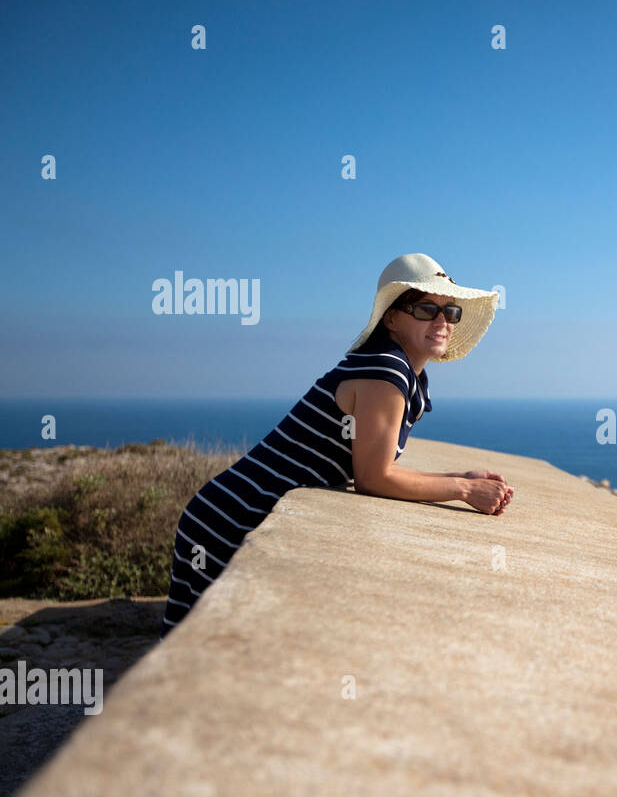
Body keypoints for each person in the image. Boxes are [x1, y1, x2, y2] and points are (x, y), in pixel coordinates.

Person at [160, 253, 513, 638]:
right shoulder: (386, 371)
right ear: (392, 318)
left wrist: (460, 475)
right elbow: (374, 478)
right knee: (202, 654)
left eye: (451, 311)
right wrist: (463, 490)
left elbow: (374, 465)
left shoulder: (395, 369)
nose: (442, 321)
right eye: (427, 308)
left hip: (223, 510)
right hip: (232, 518)